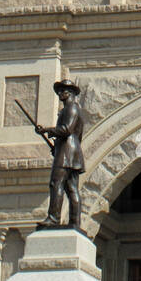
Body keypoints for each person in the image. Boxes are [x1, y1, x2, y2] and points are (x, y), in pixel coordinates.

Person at [35, 79, 85, 232]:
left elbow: (66, 129)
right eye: (59, 91)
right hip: (70, 151)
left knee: (56, 183)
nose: (60, 93)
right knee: (71, 188)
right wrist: (56, 146)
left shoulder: (71, 109)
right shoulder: (72, 109)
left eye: (63, 90)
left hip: (67, 153)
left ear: (70, 93)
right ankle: (75, 221)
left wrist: (47, 130)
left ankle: (53, 218)